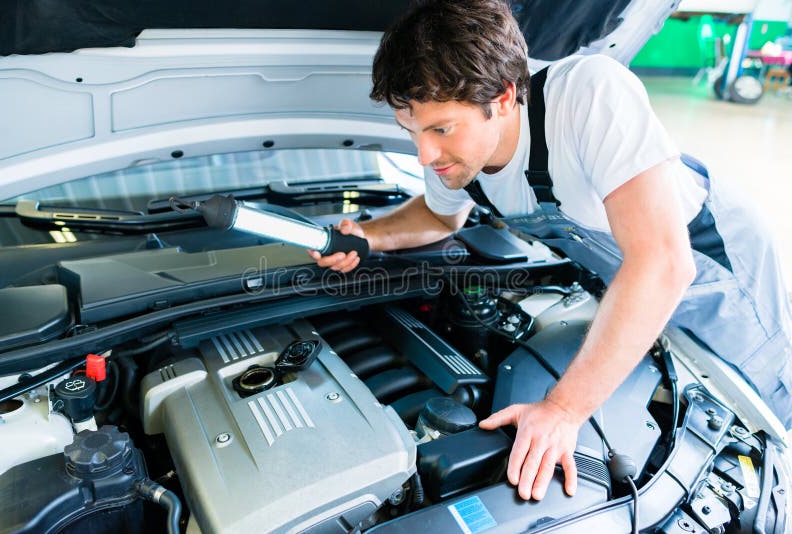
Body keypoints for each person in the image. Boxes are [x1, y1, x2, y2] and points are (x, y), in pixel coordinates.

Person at [309, 0, 792, 502]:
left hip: (716, 278)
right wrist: (368, 234)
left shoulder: (589, 95)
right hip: (630, 278)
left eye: (441, 129)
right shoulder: (460, 159)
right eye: (412, 131)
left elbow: (663, 263)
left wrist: (563, 410)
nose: (424, 156)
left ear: (503, 97)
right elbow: (438, 216)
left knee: (763, 409)